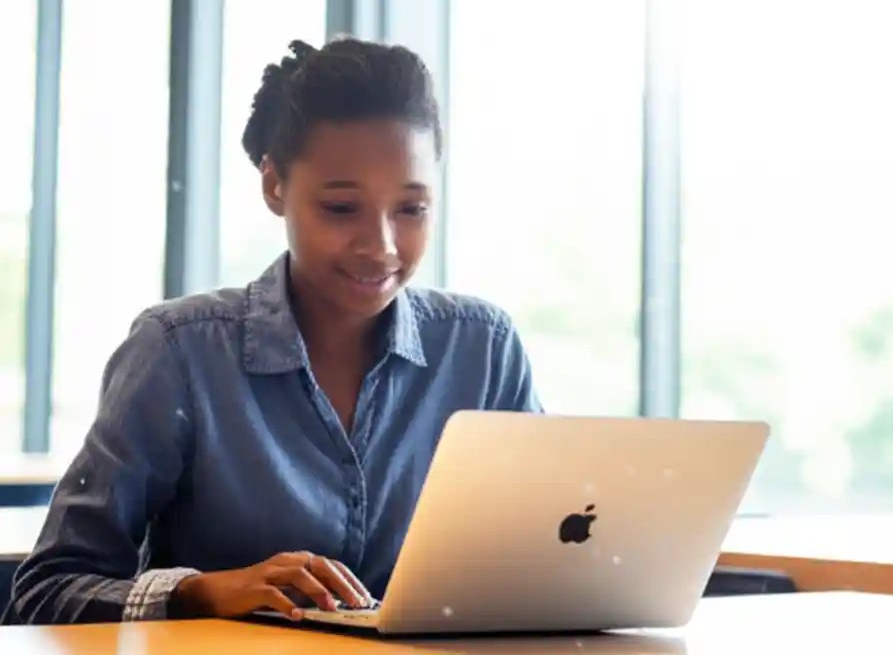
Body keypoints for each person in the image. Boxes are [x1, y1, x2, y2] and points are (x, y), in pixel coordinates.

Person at [5, 38, 542, 625]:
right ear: (274, 186)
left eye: (411, 210)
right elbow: (45, 593)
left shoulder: (484, 349)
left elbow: (555, 556)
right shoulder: (180, 352)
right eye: (341, 208)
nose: (382, 246)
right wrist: (202, 592)